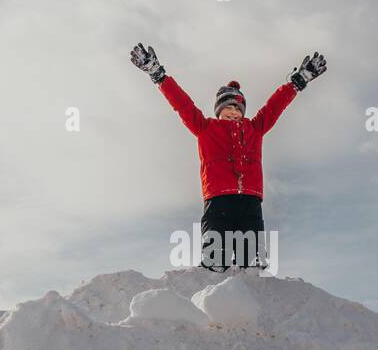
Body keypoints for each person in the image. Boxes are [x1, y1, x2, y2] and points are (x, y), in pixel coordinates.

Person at [130, 43, 327, 270]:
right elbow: (182, 105)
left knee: (251, 262)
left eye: (238, 108)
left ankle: (251, 290)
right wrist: (159, 76)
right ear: (218, 109)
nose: (234, 112)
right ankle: (213, 286)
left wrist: (297, 82)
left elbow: (275, 106)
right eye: (229, 107)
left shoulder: (255, 128)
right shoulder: (205, 128)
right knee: (215, 259)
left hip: (250, 202)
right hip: (218, 200)